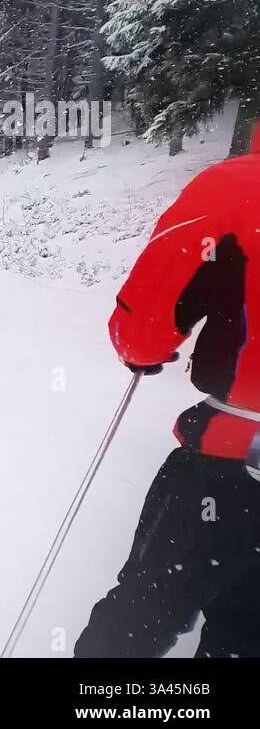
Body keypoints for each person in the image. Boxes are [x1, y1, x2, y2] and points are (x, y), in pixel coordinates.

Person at [73, 124, 260, 658]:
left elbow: (143, 325)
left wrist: (142, 351)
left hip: (231, 463)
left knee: (144, 613)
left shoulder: (233, 187)